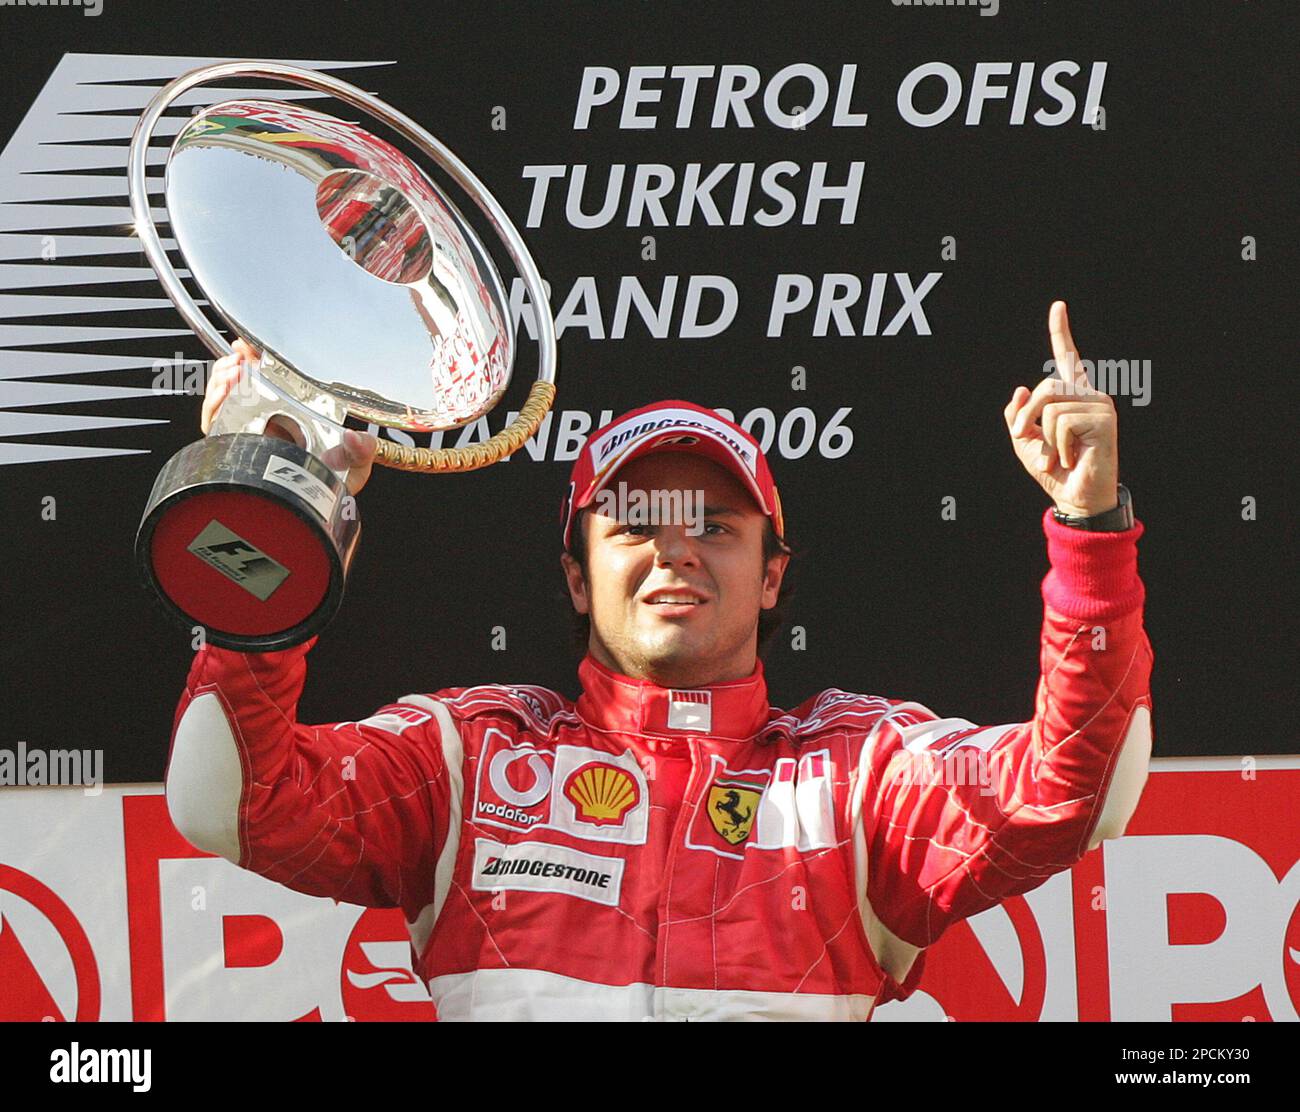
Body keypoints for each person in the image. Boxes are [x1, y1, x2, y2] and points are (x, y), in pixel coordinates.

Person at [166, 302, 1153, 1021]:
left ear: (772, 575)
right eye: (635, 520)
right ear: (578, 577)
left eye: (714, 524)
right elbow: (228, 799)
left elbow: (1077, 791)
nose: (675, 547)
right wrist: (265, 509)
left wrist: (1090, 531)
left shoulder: (859, 772)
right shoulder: (470, 755)